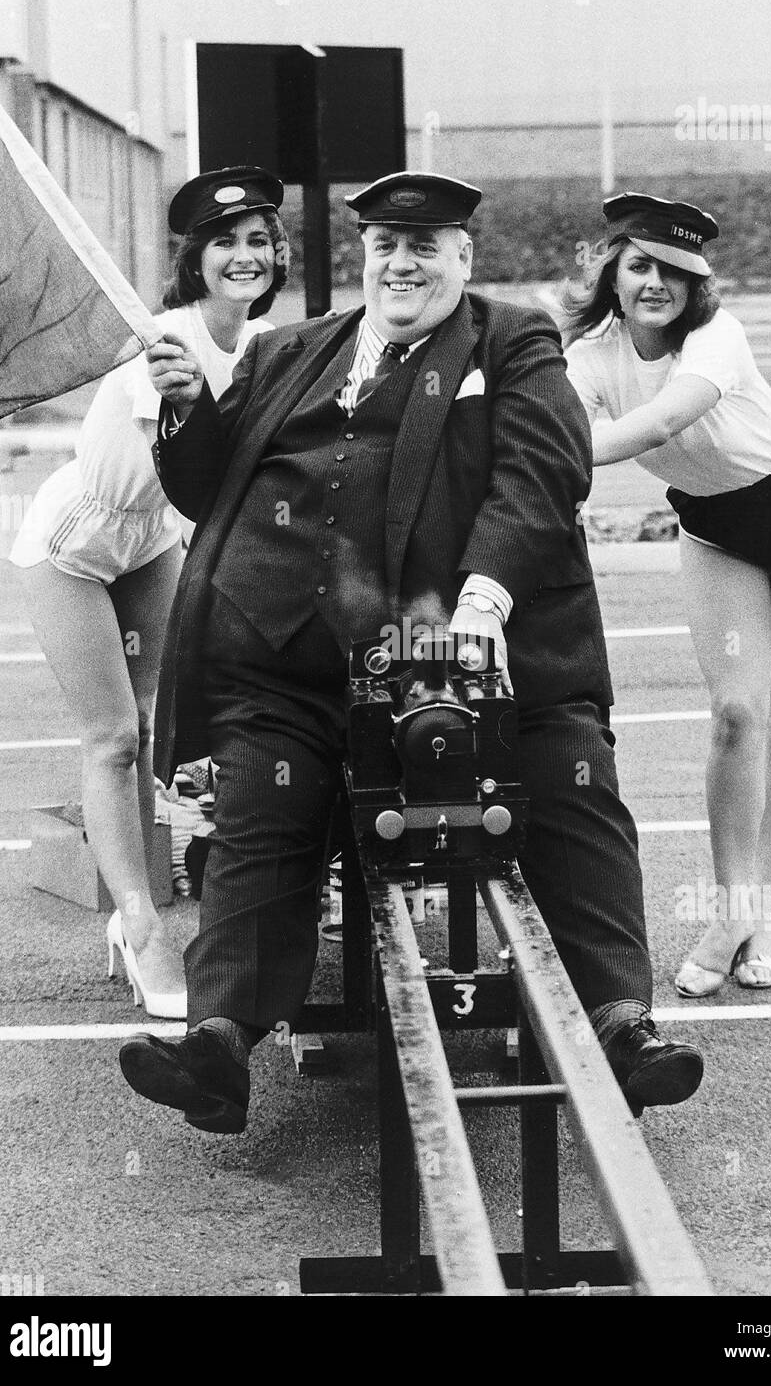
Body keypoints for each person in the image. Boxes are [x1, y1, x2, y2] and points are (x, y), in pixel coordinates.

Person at [117, 171, 703, 1134]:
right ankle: (219, 1042)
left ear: (462, 258)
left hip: (467, 649)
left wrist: (481, 601)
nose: (404, 263)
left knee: (569, 781)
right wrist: (187, 409)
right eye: (388, 245)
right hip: (288, 655)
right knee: (264, 811)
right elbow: (204, 492)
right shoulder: (286, 349)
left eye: (427, 246)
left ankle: (621, 1026)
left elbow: (541, 473)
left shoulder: (510, 339)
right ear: (364, 256)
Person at [562, 193, 771, 998]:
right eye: (638, 265)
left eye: (673, 270)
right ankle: (732, 905)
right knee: (736, 714)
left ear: (697, 284)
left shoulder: (715, 338)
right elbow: (554, 422)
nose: (654, 281)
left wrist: (550, 451)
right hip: (715, 532)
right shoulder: (588, 355)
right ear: (611, 273)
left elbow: (658, 425)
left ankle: (756, 911)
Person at [10, 166, 286, 1018]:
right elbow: (196, 482)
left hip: (150, 541)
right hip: (77, 542)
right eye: (225, 245)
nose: (245, 257)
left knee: (158, 726)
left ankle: (152, 894)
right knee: (112, 737)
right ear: (194, 260)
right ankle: (139, 924)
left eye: (259, 243)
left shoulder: (270, 344)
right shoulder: (158, 345)